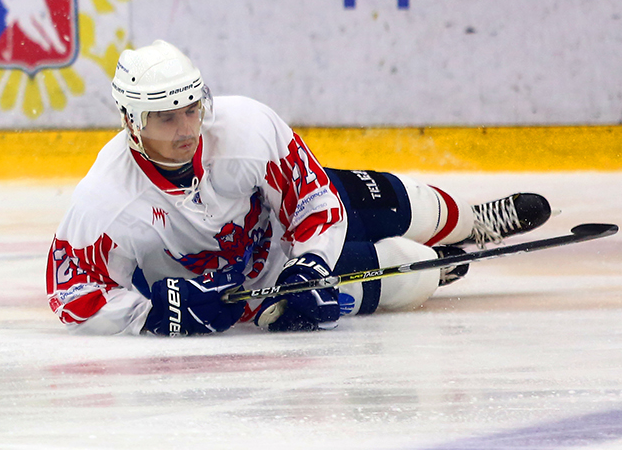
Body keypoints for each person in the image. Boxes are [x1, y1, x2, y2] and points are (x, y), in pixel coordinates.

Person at [47, 40, 553, 336]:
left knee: (404, 205)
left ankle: (474, 222)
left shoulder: (245, 126)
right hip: (252, 295)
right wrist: (153, 313)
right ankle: (443, 266)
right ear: (132, 123)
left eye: (190, 108)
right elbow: (70, 291)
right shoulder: (106, 200)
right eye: (164, 118)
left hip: (291, 223)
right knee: (408, 271)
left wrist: (310, 258)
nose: (185, 129)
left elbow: (313, 199)